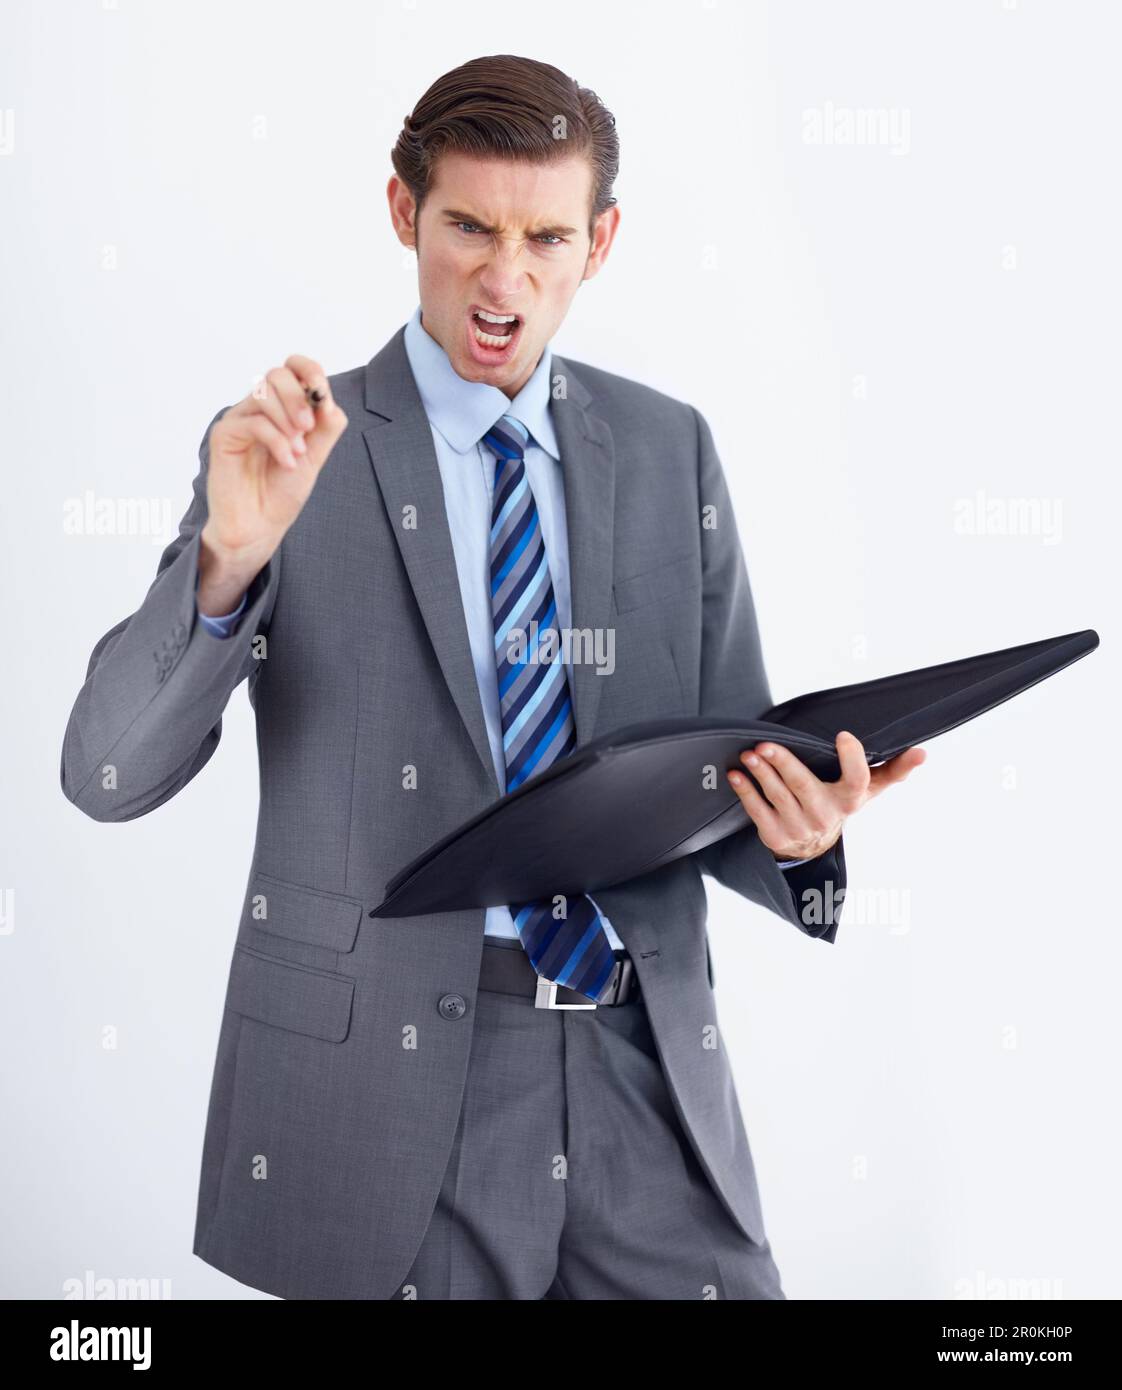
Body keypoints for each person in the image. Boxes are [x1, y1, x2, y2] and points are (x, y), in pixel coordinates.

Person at [60, 53, 923, 1300]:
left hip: (645, 1078)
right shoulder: (293, 456)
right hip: (392, 1096)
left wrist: (799, 836)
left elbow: (722, 772)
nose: (504, 277)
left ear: (603, 239)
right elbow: (102, 774)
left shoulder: (671, 448)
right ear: (406, 213)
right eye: (467, 225)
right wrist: (224, 565)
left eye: (546, 236)